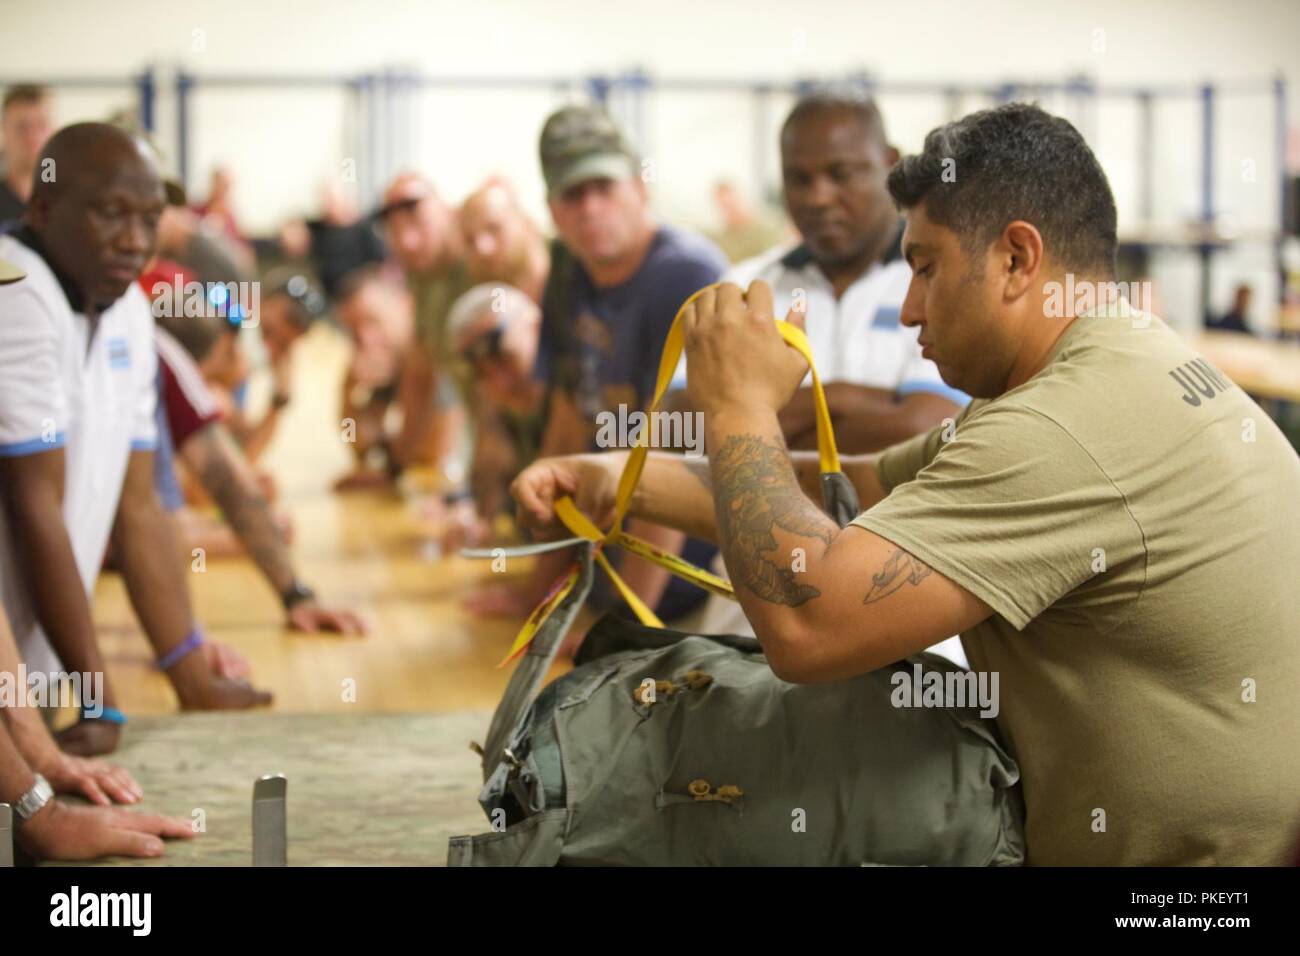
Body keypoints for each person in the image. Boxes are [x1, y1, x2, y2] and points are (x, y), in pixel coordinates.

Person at [510, 103, 1300, 866]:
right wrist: (622, 482)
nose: (912, 307)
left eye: (926, 267)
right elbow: (853, 495)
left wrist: (741, 406)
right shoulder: (1120, 361)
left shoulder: (1062, 429)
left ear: (1018, 259)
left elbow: (809, 626)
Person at [0, 124, 271, 760]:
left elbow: (140, 506)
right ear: (42, 208)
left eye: (151, 218)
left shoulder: (123, 308)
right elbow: (33, 507)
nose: (135, 239)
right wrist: (97, 693)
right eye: (110, 213)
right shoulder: (16, 296)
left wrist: (190, 672)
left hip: (33, 680)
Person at [474, 104, 727, 627]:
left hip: (689, 589)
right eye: (572, 194)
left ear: (640, 188)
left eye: (603, 187)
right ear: (551, 208)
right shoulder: (568, 271)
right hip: (606, 577)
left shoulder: (687, 277)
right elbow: (566, 430)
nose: (590, 208)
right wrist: (536, 598)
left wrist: (623, 628)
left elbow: (673, 452)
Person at [674, 89, 966, 453]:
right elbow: (679, 425)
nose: (819, 197)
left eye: (840, 174)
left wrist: (749, 414)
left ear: (889, 164)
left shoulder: (945, 282)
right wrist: (842, 401)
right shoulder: (744, 286)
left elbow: (932, 425)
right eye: (799, 179)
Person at [149, 292, 368, 636]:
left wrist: (281, 400)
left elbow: (231, 469)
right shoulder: (183, 376)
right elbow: (195, 498)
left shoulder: (190, 381)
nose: (253, 354)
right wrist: (236, 539)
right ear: (223, 347)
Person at [376, 173, 473, 484]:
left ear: (446, 211)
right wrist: (394, 470)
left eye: (417, 221)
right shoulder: (422, 272)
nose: (408, 241)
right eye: (395, 230)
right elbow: (421, 373)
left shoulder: (478, 260)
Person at [441, 283, 546, 549]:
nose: (498, 382)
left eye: (505, 357)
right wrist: (466, 509)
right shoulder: (498, 407)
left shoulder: (578, 398)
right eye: (481, 372)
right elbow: (486, 492)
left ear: (537, 328)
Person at [326, 267, 416, 489]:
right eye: (353, 331)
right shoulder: (387, 368)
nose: (365, 339)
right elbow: (357, 443)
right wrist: (348, 390)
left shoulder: (435, 360)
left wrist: (391, 473)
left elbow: (430, 456)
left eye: (373, 321)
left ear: (406, 306)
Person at [459, 177, 550, 304]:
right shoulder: (490, 300)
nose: (482, 249)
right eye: (470, 240)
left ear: (527, 223)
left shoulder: (574, 276)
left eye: (494, 228)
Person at [0, 85, 53, 225]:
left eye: (41, 125)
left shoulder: (68, 201)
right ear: (4, 130)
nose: (32, 137)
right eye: (22, 126)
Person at [708, 180, 789, 264]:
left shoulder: (769, 226)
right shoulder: (721, 241)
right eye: (725, 205)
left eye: (732, 201)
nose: (731, 209)